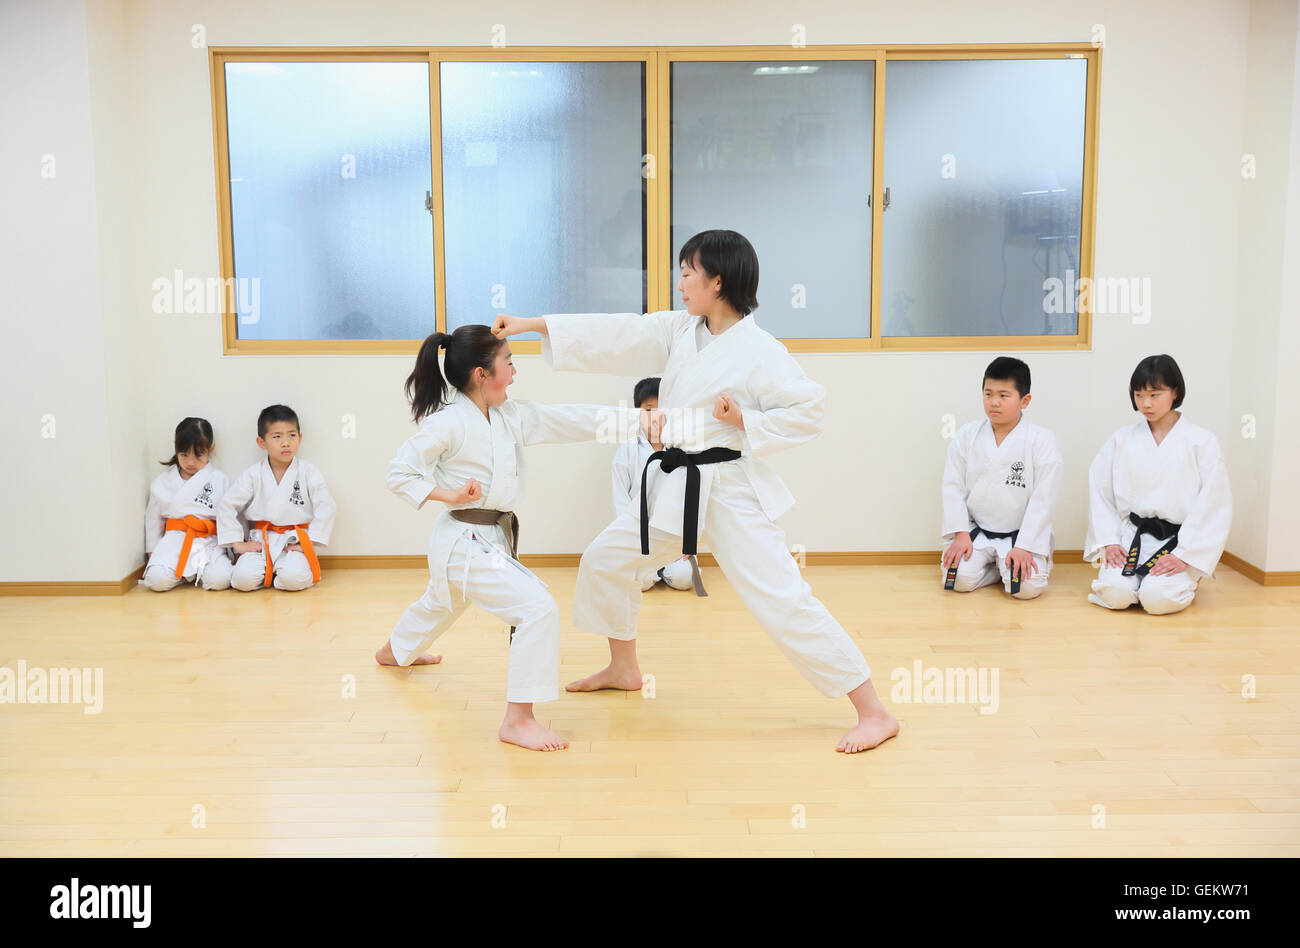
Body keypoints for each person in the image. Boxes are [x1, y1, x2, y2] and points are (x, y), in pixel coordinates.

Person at [493, 229, 899, 754]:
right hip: (676, 484)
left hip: (727, 489)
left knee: (781, 596)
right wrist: (532, 325)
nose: (679, 282)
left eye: (688, 272)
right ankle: (624, 666)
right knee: (604, 559)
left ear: (718, 281)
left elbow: (809, 410)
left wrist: (746, 419)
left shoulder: (760, 350)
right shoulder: (683, 329)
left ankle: (874, 711)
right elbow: (618, 334)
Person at [376, 325, 638, 752]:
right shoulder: (448, 423)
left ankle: (394, 651)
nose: (515, 371)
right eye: (509, 362)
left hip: (484, 541)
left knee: (441, 602)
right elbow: (398, 472)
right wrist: (449, 494)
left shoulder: (508, 416)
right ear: (483, 373)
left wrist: (638, 420)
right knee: (537, 609)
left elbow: (571, 419)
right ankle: (518, 721)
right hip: (462, 541)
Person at [1084, 354, 1232, 615]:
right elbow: (1100, 489)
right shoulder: (1123, 439)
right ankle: (1134, 584)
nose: (1145, 403)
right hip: (1132, 536)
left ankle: (1184, 581)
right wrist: (1108, 541)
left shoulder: (1201, 441)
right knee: (1116, 594)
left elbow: (1214, 503)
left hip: (1178, 541)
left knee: (1156, 600)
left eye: (1155, 394)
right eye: (1139, 395)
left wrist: (1186, 555)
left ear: (1175, 392)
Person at [939, 357, 1063, 600]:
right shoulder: (966, 435)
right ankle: (997, 571)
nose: (994, 402)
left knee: (1026, 589)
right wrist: (961, 534)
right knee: (957, 580)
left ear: (1024, 400)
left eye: (1004, 395)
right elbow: (953, 488)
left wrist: (1025, 546)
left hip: (1021, 535)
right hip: (977, 532)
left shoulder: (1042, 441)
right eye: (988, 394)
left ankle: (1007, 567)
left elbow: (1044, 500)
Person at [216, 405, 337, 592]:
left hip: (293, 540)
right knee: (241, 580)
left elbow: (326, 506)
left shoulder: (308, 472)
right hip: (261, 541)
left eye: (292, 435)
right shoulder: (253, 474)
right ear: (261, 442)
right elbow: (226, 505)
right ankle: (268, 571)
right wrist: (237, 543)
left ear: (300, 438)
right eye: (277, 436)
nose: (286, 443)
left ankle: (277, 574)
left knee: (293, 579)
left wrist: (309, 541)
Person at [612, 377, 696, 593]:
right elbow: (621, 500)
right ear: (637, 413)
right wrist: (632, 543)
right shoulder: (628, 449)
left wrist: (686, 544)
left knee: (684, 579)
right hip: (638, 537)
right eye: (649, 410)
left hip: (673, 537)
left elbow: (692, 499)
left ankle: (669, 567)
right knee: (642, 582)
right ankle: (651, 570)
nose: (656, 417)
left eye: (662, 409)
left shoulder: (684, 448)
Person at [140, 417, 233, 592]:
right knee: (155, 581)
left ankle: (192, 572)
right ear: (176, 447)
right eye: (184, 455)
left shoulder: (220, 480)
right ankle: (183, 575)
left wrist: (234, 549)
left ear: (210, 449)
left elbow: (231, 518)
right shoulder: (162, 482)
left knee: (220, 580)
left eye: (198, 455)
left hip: (208, 541)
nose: (190, 462)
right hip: (174, 541)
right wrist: (153, 552)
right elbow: (153, 521)